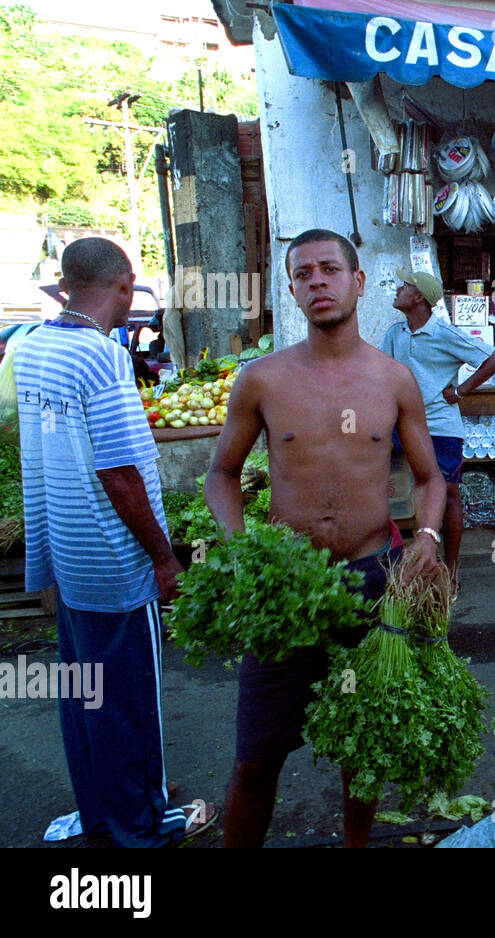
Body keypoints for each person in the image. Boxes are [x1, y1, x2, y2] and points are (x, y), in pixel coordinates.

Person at [206, 229, 448, 848]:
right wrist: (239, 547)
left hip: (374, 581)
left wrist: (425, 534)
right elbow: (222, 475)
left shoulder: (395, 380)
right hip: (287, 590)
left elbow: (430, 478)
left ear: (358, 282)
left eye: (330, 269)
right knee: (257, 757)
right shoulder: (262, 379)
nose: (318, 281)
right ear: (291, 289)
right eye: (304, 273)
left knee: (362, 744)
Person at [12, 237, 211, 846]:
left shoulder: (32, 347)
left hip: (67, 556)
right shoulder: (101, 356)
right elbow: (120, 471)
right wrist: (161, 555)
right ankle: (144, 824)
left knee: (85, 696)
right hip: (112, 561)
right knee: (129, 701)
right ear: (125, 283)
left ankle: (102, 808)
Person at [381, 268, 495, 586]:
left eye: (404, 286)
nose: (398, 289)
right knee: (395, 490)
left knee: (448, 494)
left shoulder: (443, 332)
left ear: (419, 297)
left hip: (440, 427)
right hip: (403, 426)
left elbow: (494, 358)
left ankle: (450, 570)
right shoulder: (395, 334)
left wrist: (461, 391)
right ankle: (408, 562)